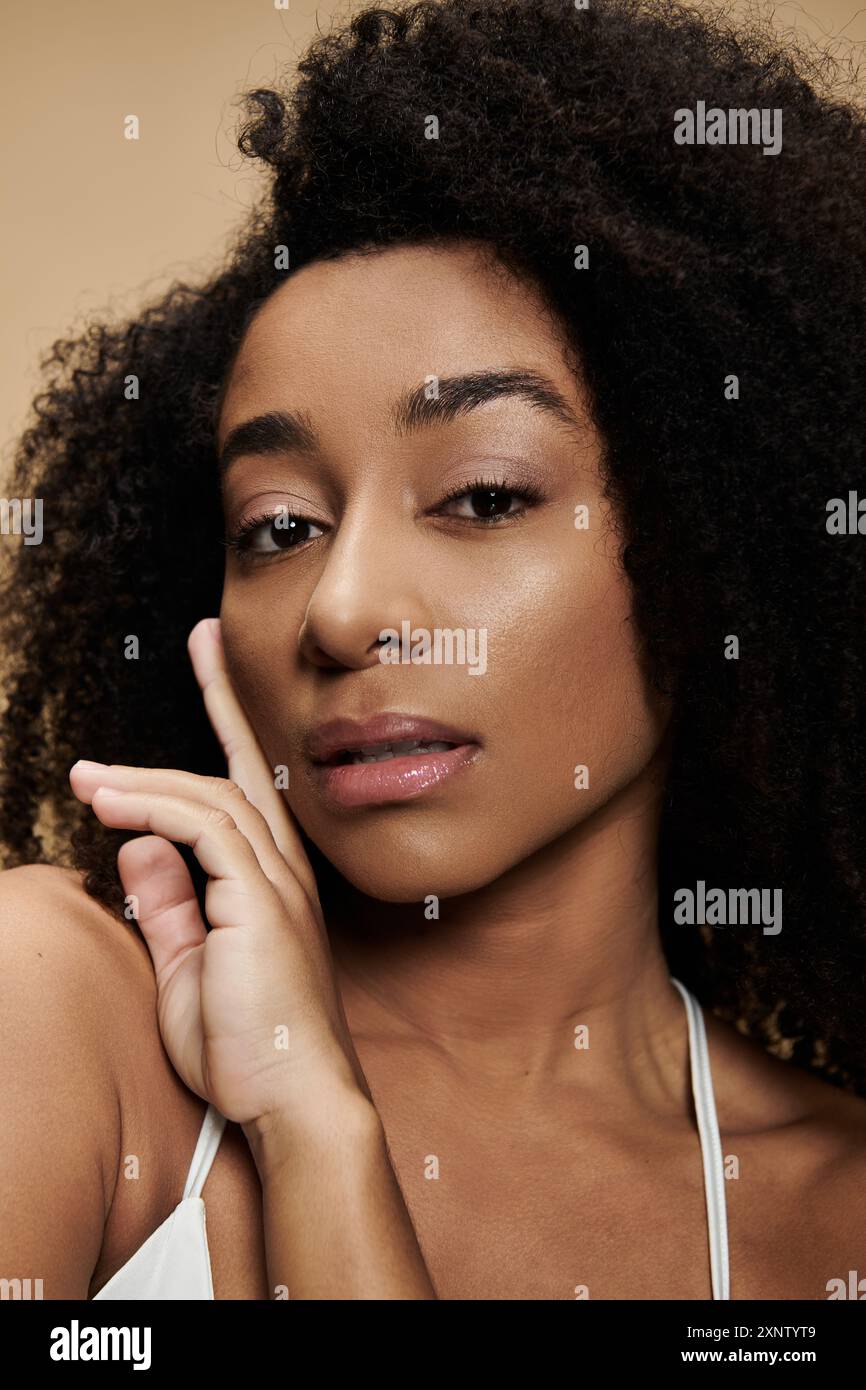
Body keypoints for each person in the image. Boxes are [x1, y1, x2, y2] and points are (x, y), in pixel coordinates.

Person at [1, 0, 864, 1301]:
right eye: (277, 525)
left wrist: (319, 1136)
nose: (339, 613)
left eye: (481, 496)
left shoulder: (835, 1214)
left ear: (711, 548)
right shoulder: (59, 1007)